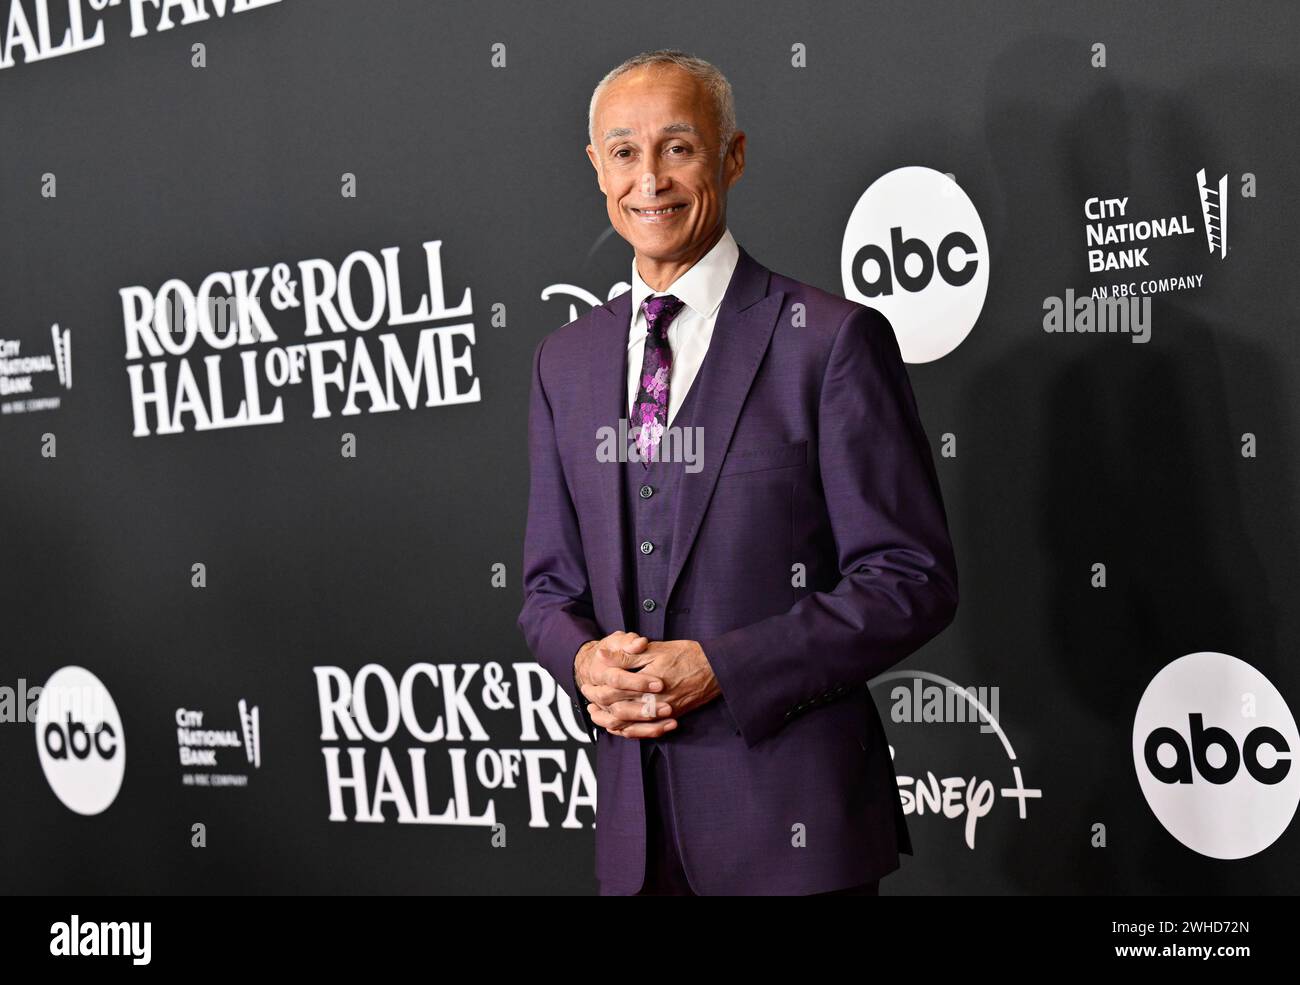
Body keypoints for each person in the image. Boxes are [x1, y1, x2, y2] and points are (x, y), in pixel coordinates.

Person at [517, 48, 958, 895]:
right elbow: (545, 589)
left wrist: (725, 664)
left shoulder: (830, 341)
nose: (650, 178)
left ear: (733, 155)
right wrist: (582, 664)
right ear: (596, 169)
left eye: (678, 148)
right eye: (623, 152)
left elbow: (912, 577)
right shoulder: (561, 363)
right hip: (635, 841)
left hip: (797, 837)